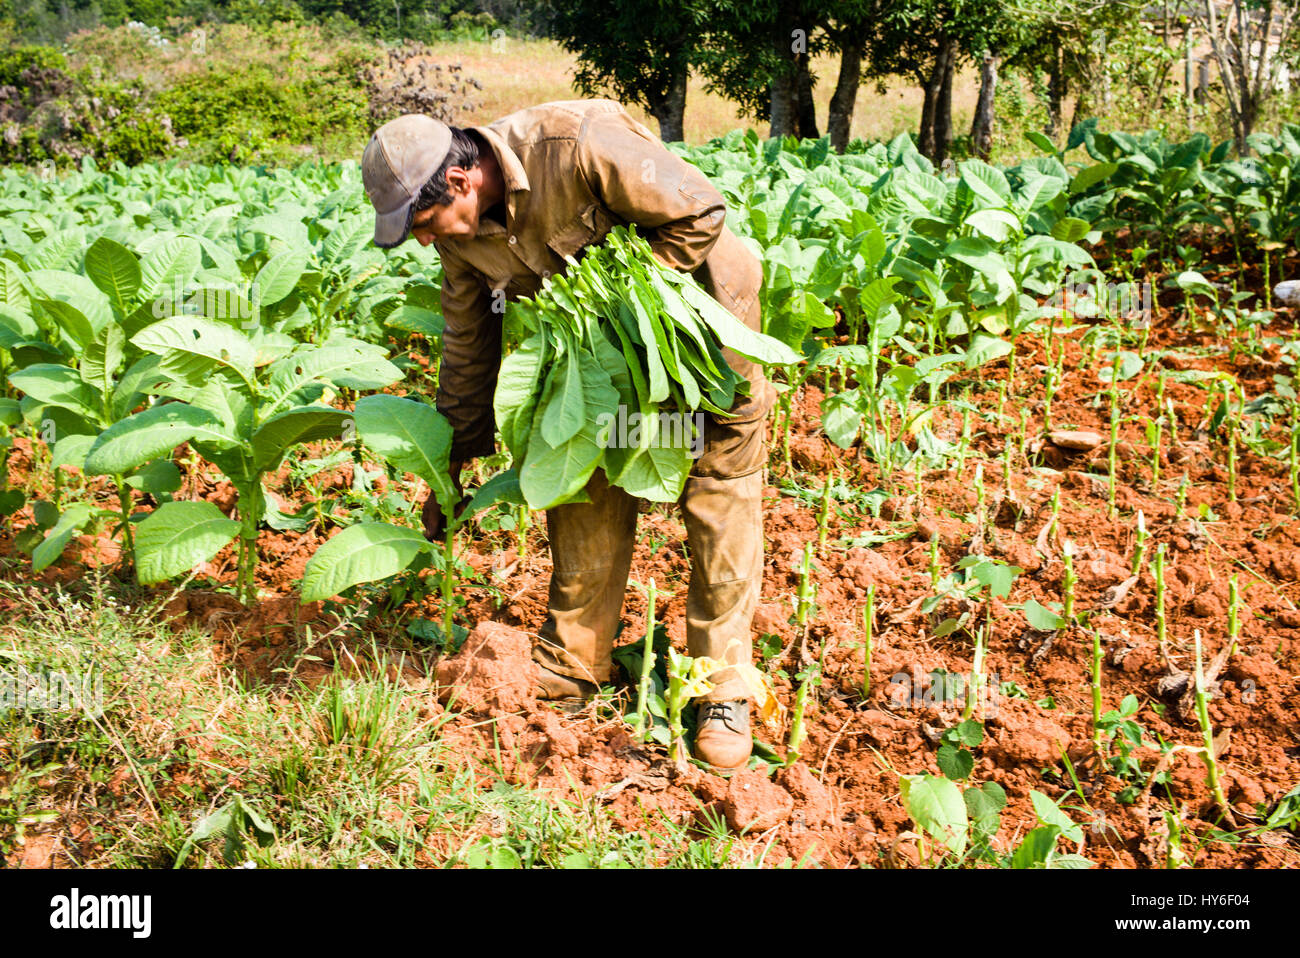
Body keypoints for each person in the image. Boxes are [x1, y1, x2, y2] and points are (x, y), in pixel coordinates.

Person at [360, 100, 774, 768]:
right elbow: (470, 344)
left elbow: (699, 211)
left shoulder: (574, 144)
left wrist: (626, 302)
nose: (426, 241)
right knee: (582, 487)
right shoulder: (465, 242)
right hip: (600, 365)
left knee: (718, 500)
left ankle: (722, 690)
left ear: (462, 182)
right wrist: (453, 461)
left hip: (702, 341)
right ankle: (575, 664)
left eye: (425, 223)